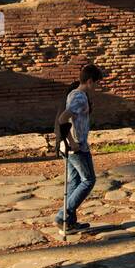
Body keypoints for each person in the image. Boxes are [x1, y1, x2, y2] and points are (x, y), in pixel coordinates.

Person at [54, 63, 104, 232]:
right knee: (89, 180)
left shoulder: (74, 93)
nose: (97, 87)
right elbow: (63, 119)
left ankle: (69, 223)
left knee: (74, 182)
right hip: (77, 147)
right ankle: (62, 215)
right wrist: (73, 142)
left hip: (70, 146)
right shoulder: (80, 96)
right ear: (89, 81)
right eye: (96, 83)